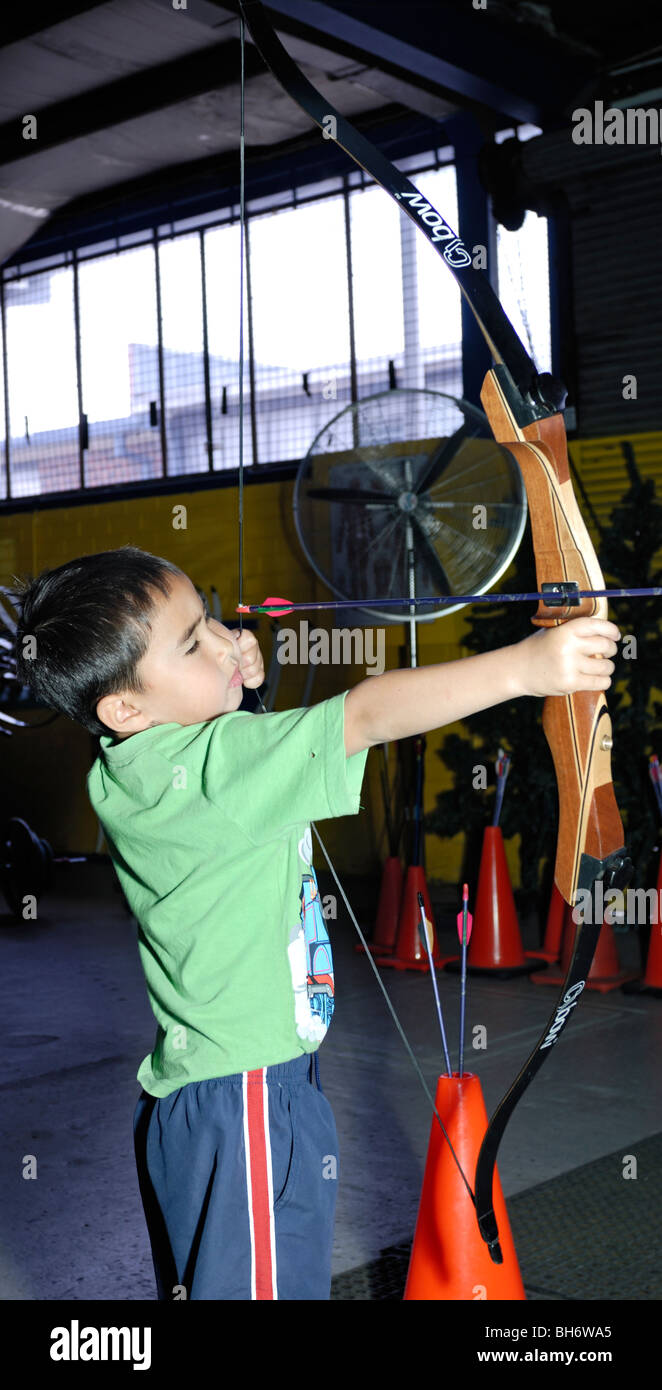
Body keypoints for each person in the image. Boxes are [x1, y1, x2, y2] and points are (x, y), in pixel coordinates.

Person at [11, 544, 620, 1301]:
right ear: (126, 707)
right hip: (252, 1100)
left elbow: (224, 786)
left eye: (211, 620)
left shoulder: (124, 768)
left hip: (193, 1100)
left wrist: (229, 681)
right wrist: (528, 669)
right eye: (194, 641)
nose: (225, 639)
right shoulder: (221, 763)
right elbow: (363, 714)